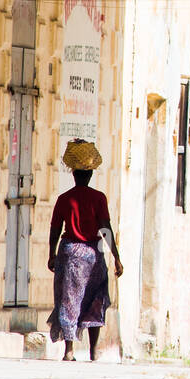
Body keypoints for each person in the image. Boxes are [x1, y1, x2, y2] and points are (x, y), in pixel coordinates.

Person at [47, 139, 124, 361]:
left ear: (73, 174)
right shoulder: (99, 198)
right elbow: (105, 228)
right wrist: (116, 257)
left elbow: (55, 229)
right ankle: (93, 351)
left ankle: (69, 350)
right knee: (95, 299)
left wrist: (51, 253)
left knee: (68, 300)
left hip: (69, 253)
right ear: (90, 175)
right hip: (93, 255)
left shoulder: (64, 199)